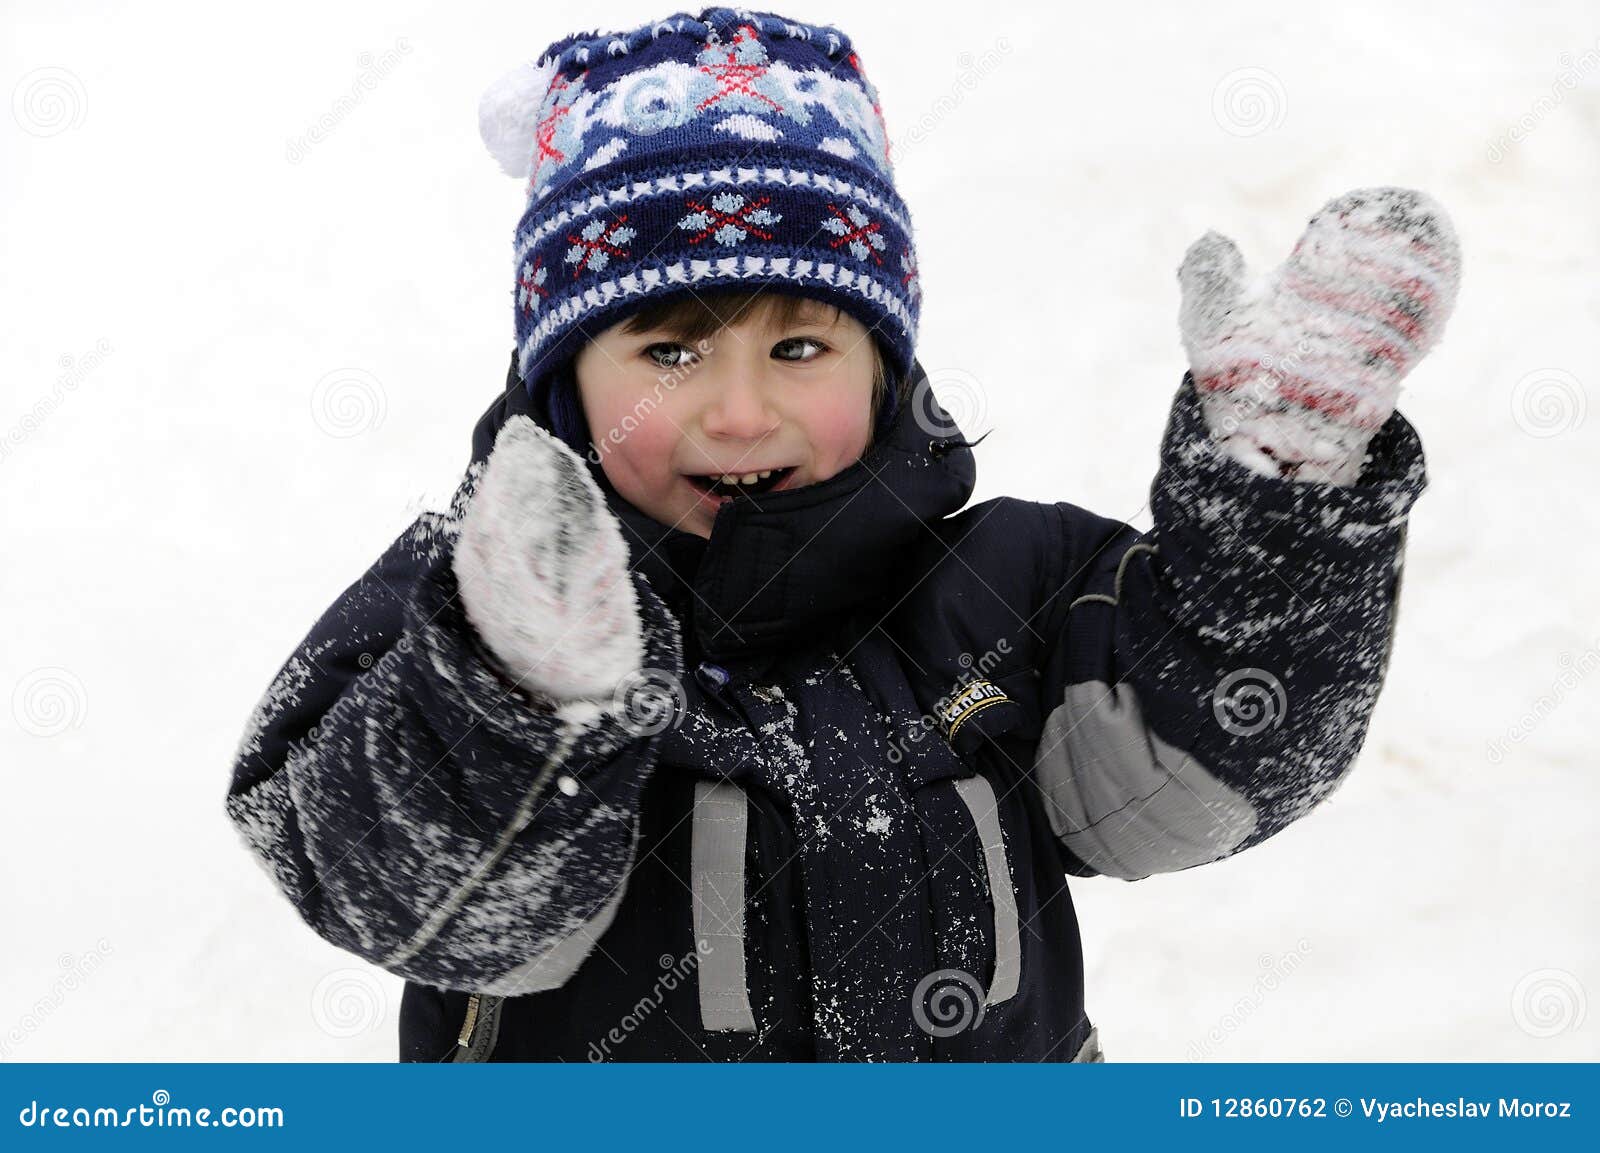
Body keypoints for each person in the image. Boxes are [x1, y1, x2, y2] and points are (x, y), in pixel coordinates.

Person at [224, 6, 1459, 1061]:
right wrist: (517, 690)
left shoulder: (1013, 590)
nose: (739, 409)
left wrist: (1278, 512)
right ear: (563, 382)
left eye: (800, 346)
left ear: (883, 365)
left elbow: (1201, 781)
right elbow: (409, 896)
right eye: (669, 349)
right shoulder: (469, 606)